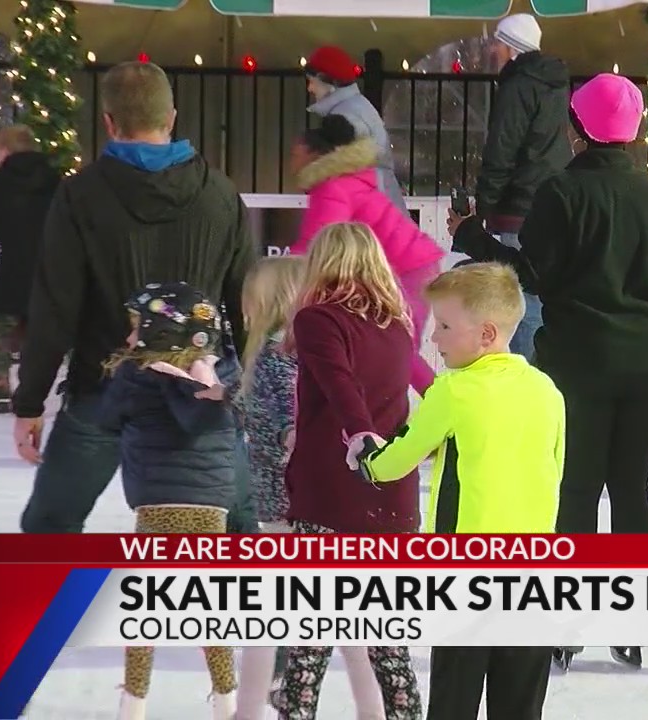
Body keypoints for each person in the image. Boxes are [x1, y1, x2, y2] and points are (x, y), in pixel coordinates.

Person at [451, 74, 648, 670]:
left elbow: (535, 276)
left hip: (578, 359)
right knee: (632, 487)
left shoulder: (560, 192)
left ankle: (568, 622)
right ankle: (632, 623)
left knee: (576, 487)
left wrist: (474, 236)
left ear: (578, 127)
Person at [11, 61, 258, 535]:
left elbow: (54, 308)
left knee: (49, 526)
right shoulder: (220, 195)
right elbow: (245, 304)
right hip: (198, 389)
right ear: (172, 117)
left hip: (103, 388)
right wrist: (244, 392)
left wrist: (30, 402)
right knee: (238, 528)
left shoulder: (79, 196)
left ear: (108, 121)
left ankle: (57, 610)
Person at [349, 262, 564, 720]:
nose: (434, 338)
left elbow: (396, 461)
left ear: (486, 334)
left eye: (444, 326)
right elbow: (555, 468)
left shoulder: (453, 390)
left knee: (454, 701)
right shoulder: (547, 391)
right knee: (520, 706)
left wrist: (367, 459)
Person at [273, 222, 422, 720]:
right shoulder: (398, 325)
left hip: (333, 494)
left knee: (308, 643)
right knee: (387, 642)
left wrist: (359, 435)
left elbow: (340, 384)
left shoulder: (320, 319)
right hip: (391, 497)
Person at [99, 282, 237, 720]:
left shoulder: (136, 377)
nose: (128, 338)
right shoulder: (218, 379)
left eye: (136, 328)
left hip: (158, 505)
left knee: (145, 608)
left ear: (157, 332)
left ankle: (133, 704)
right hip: (211, 507)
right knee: (209, 606)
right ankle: (228, 701)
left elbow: (106, 419)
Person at [289, 114, 444, 393]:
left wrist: (281, 270)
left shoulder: (332, 187)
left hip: (406, 269)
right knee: (394, 347)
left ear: (314, 155)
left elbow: (320, 241)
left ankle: (442, 407)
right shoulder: (346, 181)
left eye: (296, 154)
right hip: (412, 266)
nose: (291, 162)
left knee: (398, 348)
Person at [475, 12, 573, 361]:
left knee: (522, 299)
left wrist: (483, 205)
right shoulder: (555, 85)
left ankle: (526, 381)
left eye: (497, 43)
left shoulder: (518, 85)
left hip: (519, 207)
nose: (492, 50)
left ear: (512, 48)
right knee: (540, 298)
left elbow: (502, 148)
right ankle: (542, 380)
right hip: (548, 202)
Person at [232, 256, 301, 718]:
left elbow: (287, 427)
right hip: (279, 496)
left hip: (286, 499)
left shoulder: (277, 360)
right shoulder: (278, 355)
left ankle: (284, 684)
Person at [0, 125, 60, 413]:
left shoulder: (0, 183)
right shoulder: (54, 179)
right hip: (51, 269)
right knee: (47, 331)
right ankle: (41, 388)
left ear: (3, 149)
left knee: (1, 324)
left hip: (14, 268)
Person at [304, 45, 407, 211]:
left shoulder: (345, 115)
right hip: (382, 205)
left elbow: (348, 163)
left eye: (312, 82)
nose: (310, 88)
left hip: (373, 209)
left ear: (328, 81)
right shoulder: (355, 107)